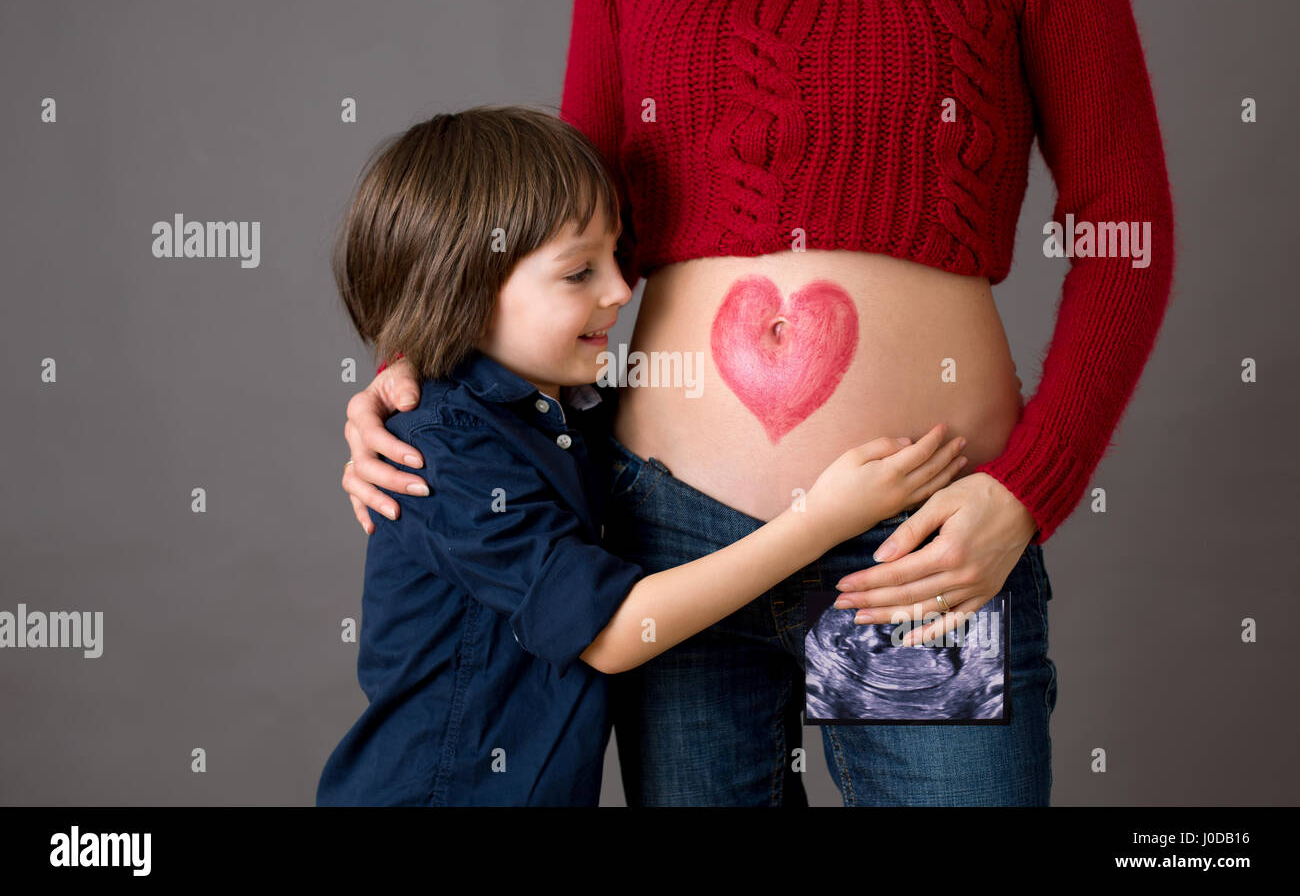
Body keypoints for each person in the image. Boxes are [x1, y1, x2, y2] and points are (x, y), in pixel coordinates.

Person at [340, 0, 1176, 805]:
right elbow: (552, 212)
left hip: (913, 548)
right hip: (666, 536)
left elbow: (1125, 223)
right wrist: (417, 369)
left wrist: (1030, 488)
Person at [316, 105, 969, 805]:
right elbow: (613, 632)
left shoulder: (565, 412)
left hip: (884, 551)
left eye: (620, 255)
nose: (622, 290)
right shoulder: (444, 451)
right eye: (580, 273)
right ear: (461, 293)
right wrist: (821, 520)